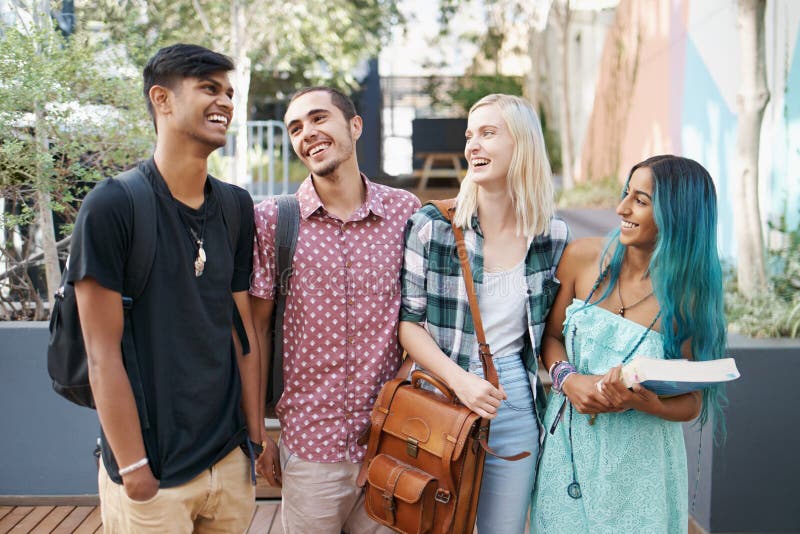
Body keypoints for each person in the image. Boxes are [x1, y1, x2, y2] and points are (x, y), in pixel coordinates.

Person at [71, 44, 262, 532]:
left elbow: (242, 332)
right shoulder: (112, 205)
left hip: (228, 463)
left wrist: (253, 443)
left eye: (228, 92)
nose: (224, 102)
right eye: (208, 88)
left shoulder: (237, 207)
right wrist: (134, 469)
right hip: (152, 474)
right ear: (162, 99)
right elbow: (100, 353)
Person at [250, 86, 421, 533]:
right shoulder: (273, 220)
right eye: (296, 128)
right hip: (311, 448)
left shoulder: (405, 212)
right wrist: (258, 433)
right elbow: (256, 331)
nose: (308, 133)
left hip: (391, 446)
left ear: (355, 125)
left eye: (319, 118)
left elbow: (420, 319)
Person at [399, 93, 569, 533]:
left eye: (488, 133)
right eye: (470, 135)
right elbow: (409, 326)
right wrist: (461, 381)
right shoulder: (433, 226)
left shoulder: (551, 236)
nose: (472, 145)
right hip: (441, 391)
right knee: (435, 526)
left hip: (513, 397)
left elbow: (555, 329)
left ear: (523, 145)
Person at [531, 155, 727, 533]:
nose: (621, 208)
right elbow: (551, 338)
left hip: (643, 466)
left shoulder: (689, 298)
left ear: (677, 212)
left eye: (640, 200)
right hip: (568, 455)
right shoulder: (582, 258)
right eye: (626, 194)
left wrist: (647, 402)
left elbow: (694, 402)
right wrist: (568, 379)